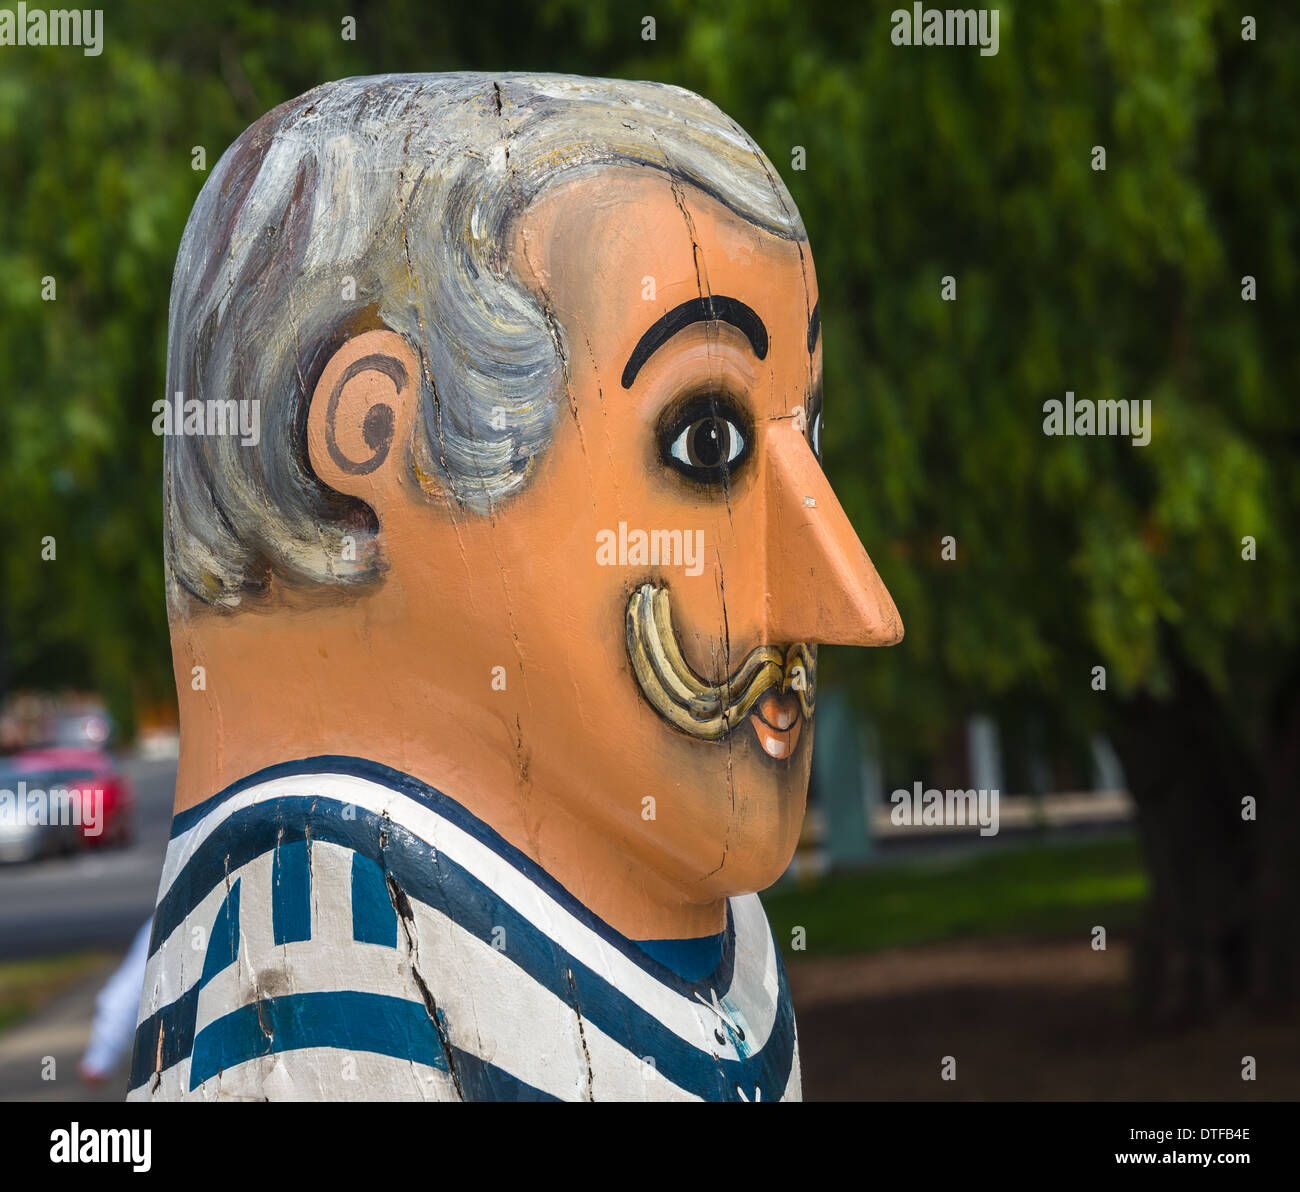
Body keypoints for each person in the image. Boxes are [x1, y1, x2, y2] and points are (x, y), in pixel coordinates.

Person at [131, 73, 902, 1101]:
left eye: (805, 429)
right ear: (376, 439)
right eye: (704, 441)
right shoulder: (313, 945)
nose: (848, 602)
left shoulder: (718, 921)